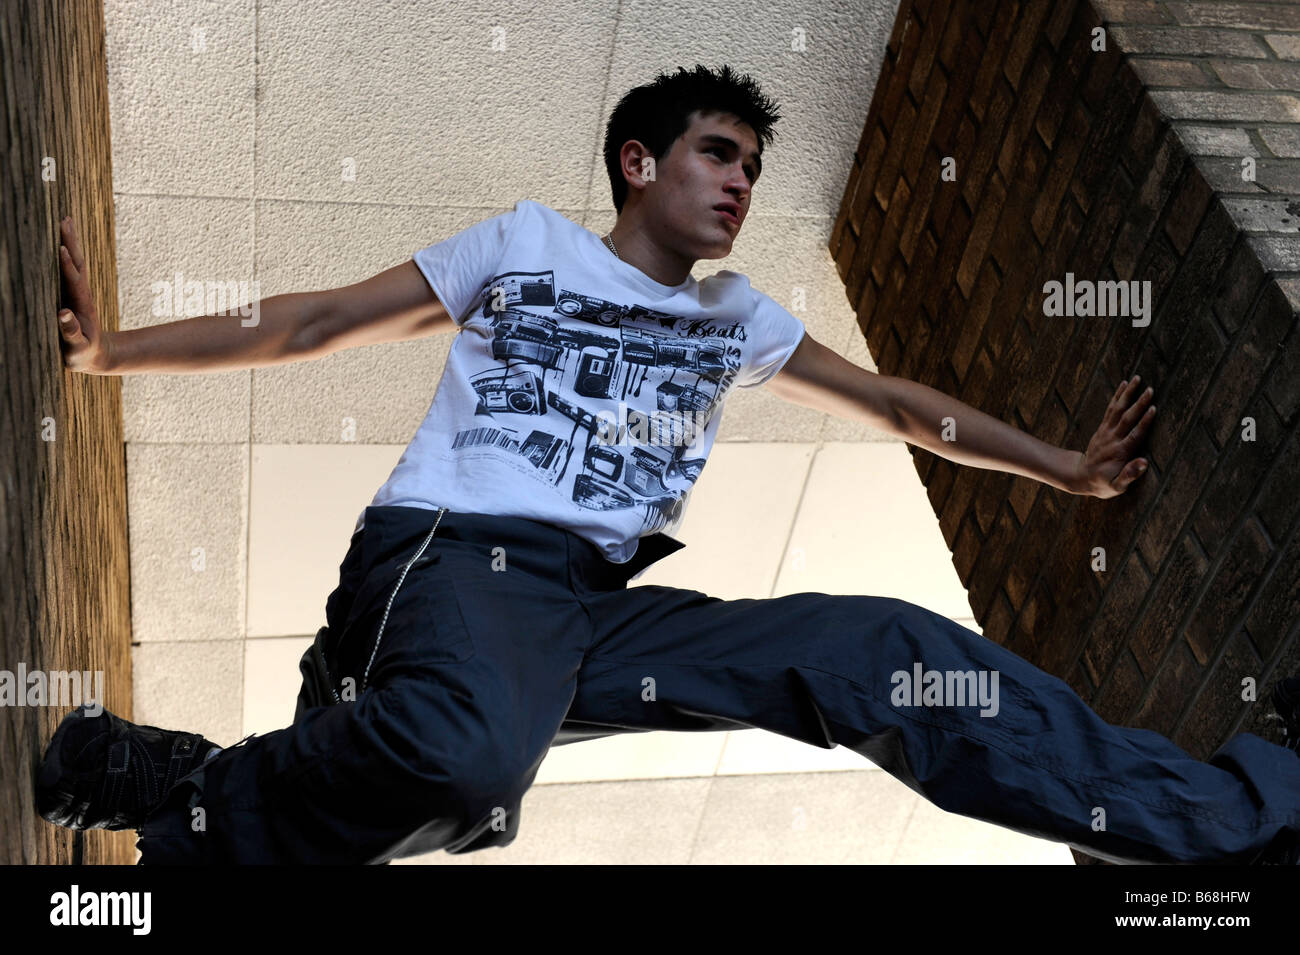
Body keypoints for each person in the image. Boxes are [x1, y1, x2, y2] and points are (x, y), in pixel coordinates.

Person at [39, 65, 1300, 865]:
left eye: (752, 166)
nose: (741, 182)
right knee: (473, 767)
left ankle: (1235, 819)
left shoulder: (735, 318)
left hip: (587, 616)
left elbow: (895, 403)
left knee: (879, 657)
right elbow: (309, 322)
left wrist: (1063, 472)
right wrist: (108, 356)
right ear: (640, 163)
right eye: (718, 153)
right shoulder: (525, 244)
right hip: (453, 564)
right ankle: (190, 792)